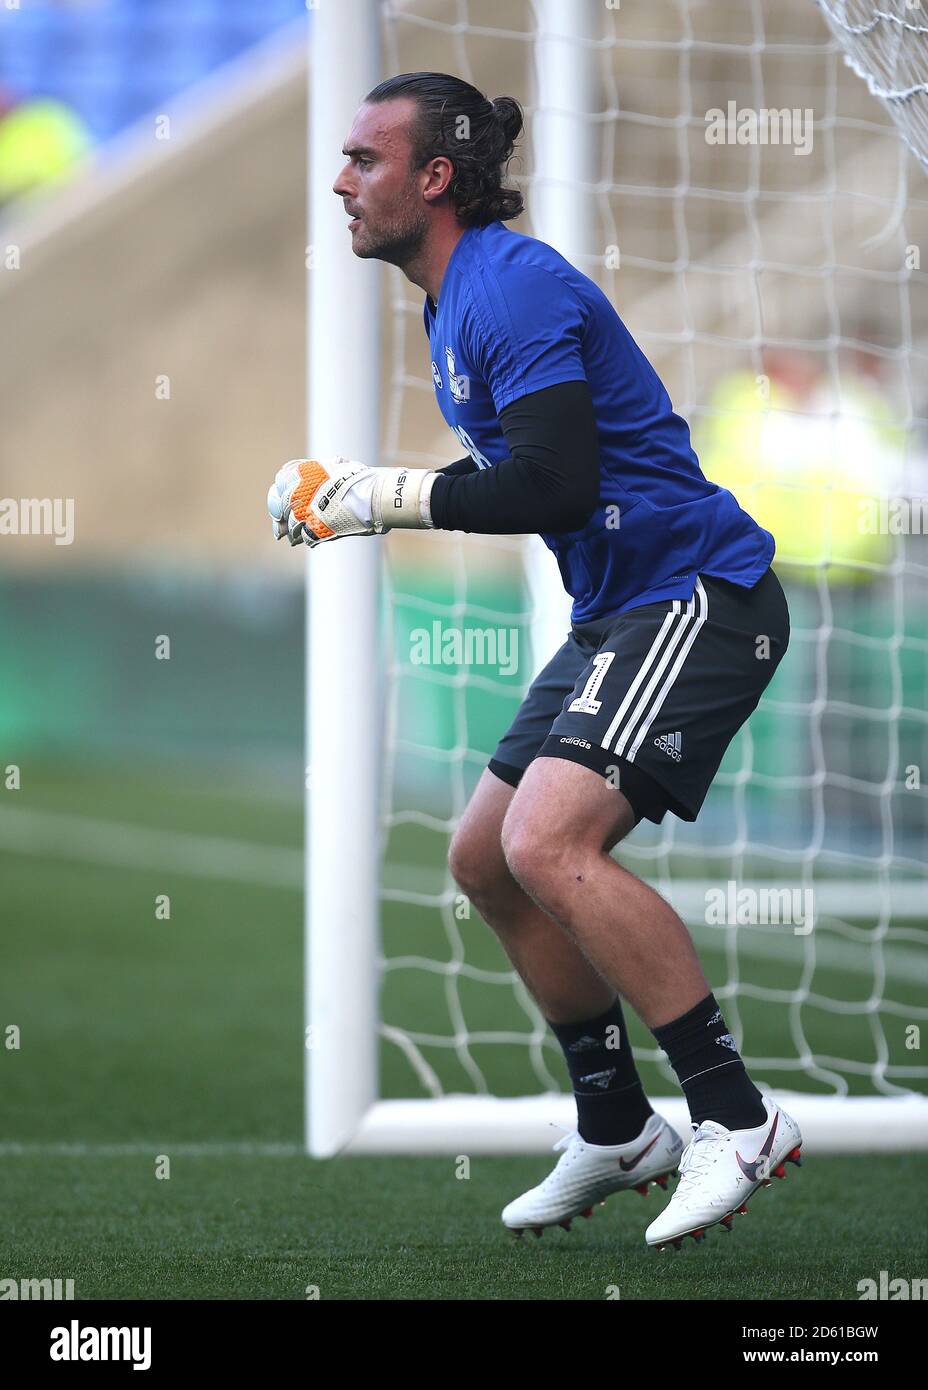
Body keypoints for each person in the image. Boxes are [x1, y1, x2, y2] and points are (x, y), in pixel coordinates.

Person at [267, 72, 802, 1250]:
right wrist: (379, 495)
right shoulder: (449, 301)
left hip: (694, 596)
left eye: (366, 159)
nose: (343, 180)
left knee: (543, 841)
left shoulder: (507, 288)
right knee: (485, 860)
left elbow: (553, 484)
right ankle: (617, 1125)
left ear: (436, 177)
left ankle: (736, 1115)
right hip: (620, 608)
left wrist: (381, 496)